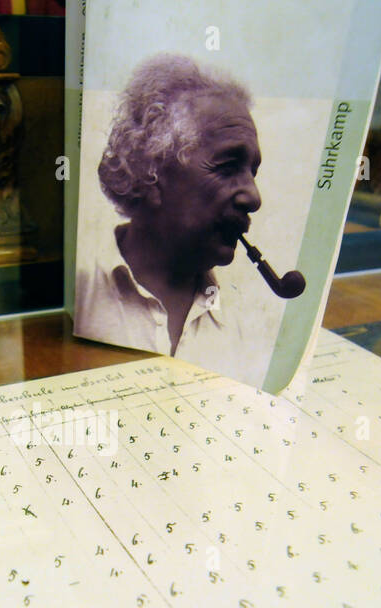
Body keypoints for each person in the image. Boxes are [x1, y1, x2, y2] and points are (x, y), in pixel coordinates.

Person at [74, 53, 262, 375]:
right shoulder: (78, 289)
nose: (253, 197)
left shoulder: (245, 320)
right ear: (151, 169)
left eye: (252, 172)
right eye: (228, 166)